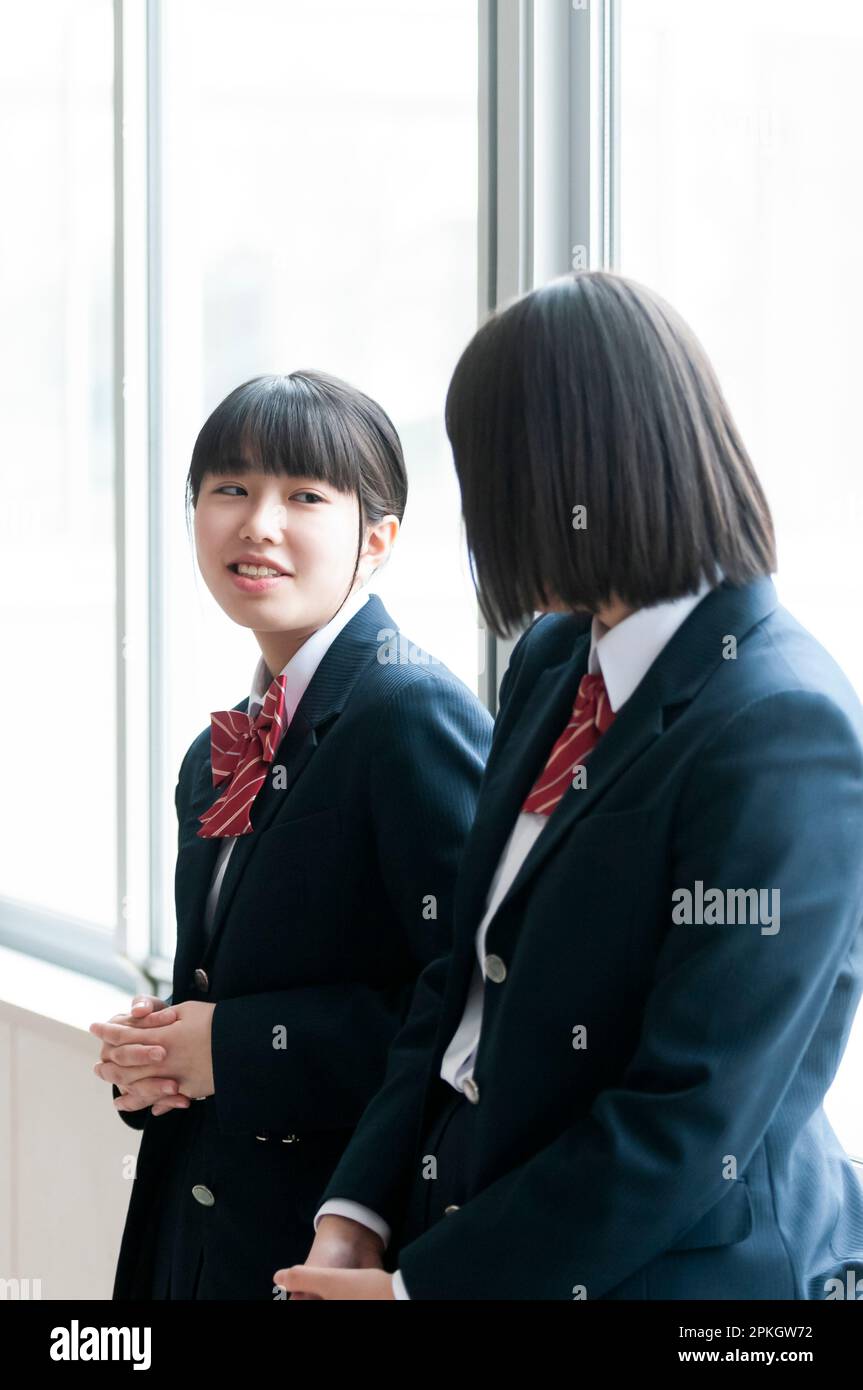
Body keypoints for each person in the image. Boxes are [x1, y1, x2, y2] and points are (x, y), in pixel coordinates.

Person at [278, 271, 863, 1300]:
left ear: (561, 478)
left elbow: (685, 1115)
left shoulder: (779, 726)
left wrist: (426, 1290)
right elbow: (457, 978)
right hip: (469, 1220)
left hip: (669, 1279)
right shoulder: (553, 660)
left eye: (486, 481)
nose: (479, 521)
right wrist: (355, 1212)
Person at [90, 370, 493, 1299]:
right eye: (229, 489)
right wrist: (160, 1057)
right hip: (198, 1238)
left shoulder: (410, 713)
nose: (258, 523)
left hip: (327, 1241)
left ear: (378, 539)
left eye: (304, 496)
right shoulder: (216, 748)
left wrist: (229, 1046)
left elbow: (474, 1006)